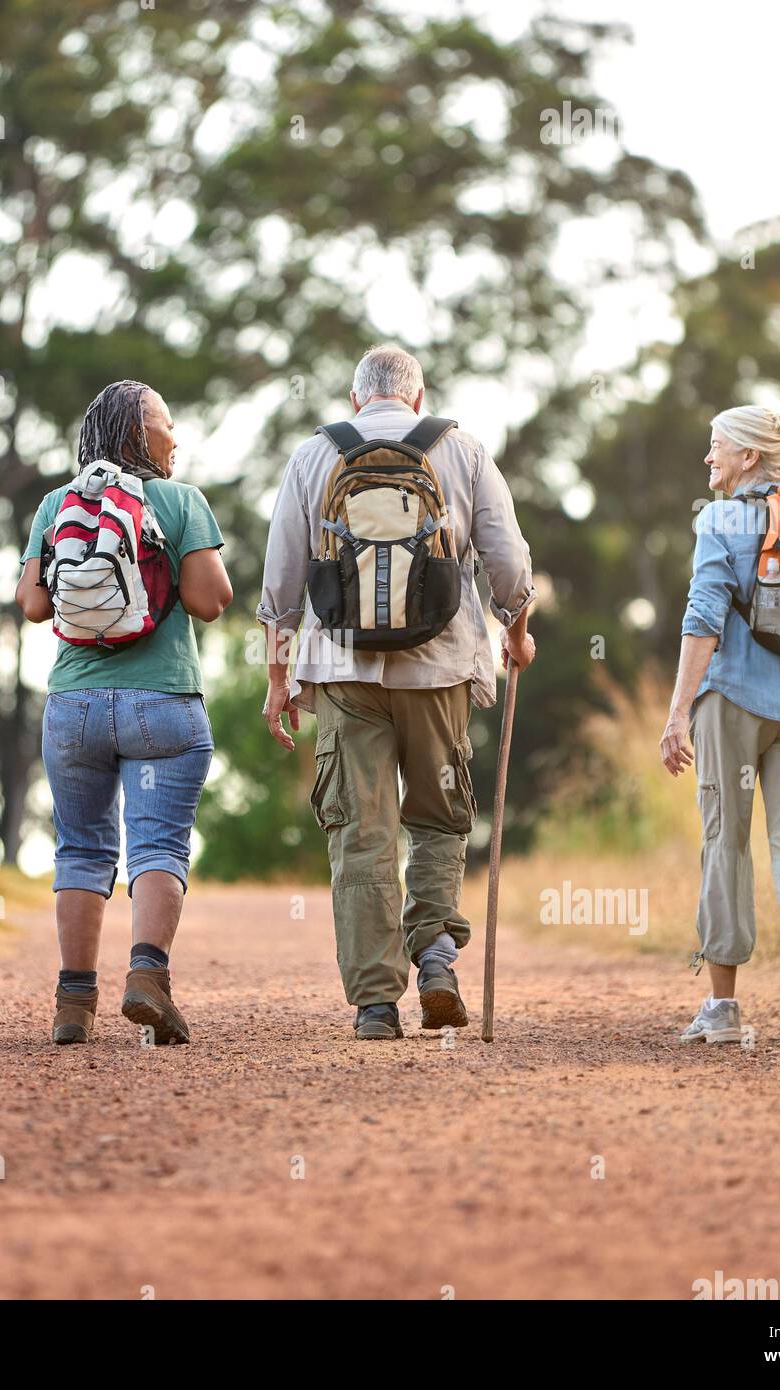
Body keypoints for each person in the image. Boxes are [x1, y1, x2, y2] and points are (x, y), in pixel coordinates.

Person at [258, 344, 536, 1040]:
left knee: (362, 831)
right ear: (419, 396)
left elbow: (281, 581)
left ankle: (375, 1004)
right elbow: (509, 561)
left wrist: (277, 679)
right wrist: (516, 628)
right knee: (440, 819)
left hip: (343, 674)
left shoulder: (315, 455)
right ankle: (437, 956)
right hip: (439, 669)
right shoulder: (462, 449)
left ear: (357, 401)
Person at [17, 380, 232, 1046]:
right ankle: (147, 977)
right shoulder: (181, 501)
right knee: (158, 846)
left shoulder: (58, 503)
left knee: (81, 850)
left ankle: (73, 1004)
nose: (176, 437)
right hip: (162, 702)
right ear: (140, 433)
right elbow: (211, 601)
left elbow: (31, 605)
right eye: (167, 424)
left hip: (75, 705)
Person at [661, 406, 780, 1045]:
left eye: (716, 448)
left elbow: (703, 618)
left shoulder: (719, 518)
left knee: (727, 840)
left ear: (748, 457)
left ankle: (722, 1009)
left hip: (737, 700)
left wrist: (677, 712)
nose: (707, 459)